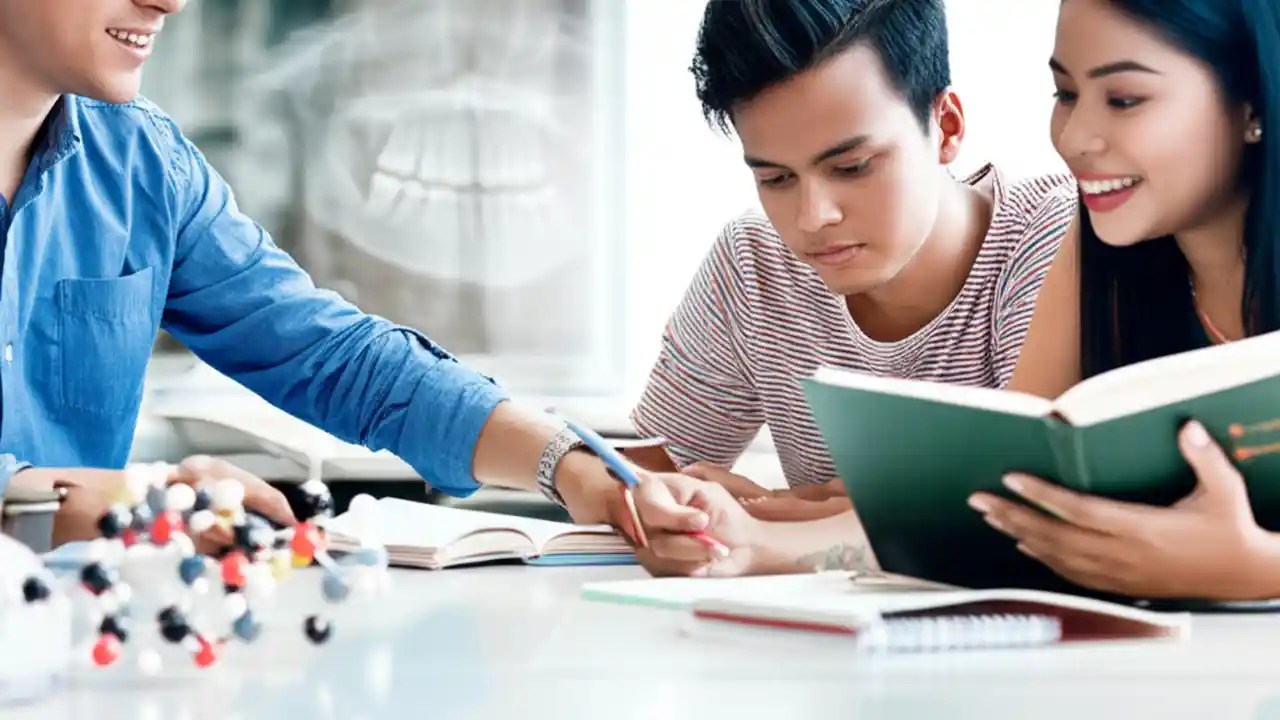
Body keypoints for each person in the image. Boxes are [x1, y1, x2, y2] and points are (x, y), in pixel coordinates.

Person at [0, 0, 662, 548]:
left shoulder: (142, 163)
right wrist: (88, 501)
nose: (169, 2)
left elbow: (332, 354)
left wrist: (575, 469)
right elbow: (64, 504)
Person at [625, 0, 1075, 570]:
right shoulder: (755, 265)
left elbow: (1030, 511)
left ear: (947, 127)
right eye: (776, 178)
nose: (813, 217)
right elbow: (653, 473)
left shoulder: (1055, 237)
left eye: (853, 166)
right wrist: (679, 507)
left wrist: (772, 526)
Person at [967, 0, 1280, 601]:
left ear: (1253, 106)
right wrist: (768, 540)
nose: (1074, 139)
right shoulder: (1096, 249)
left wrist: (1256, 569)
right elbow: (1007, 492)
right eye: (1064, 94)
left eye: (1124, 99)